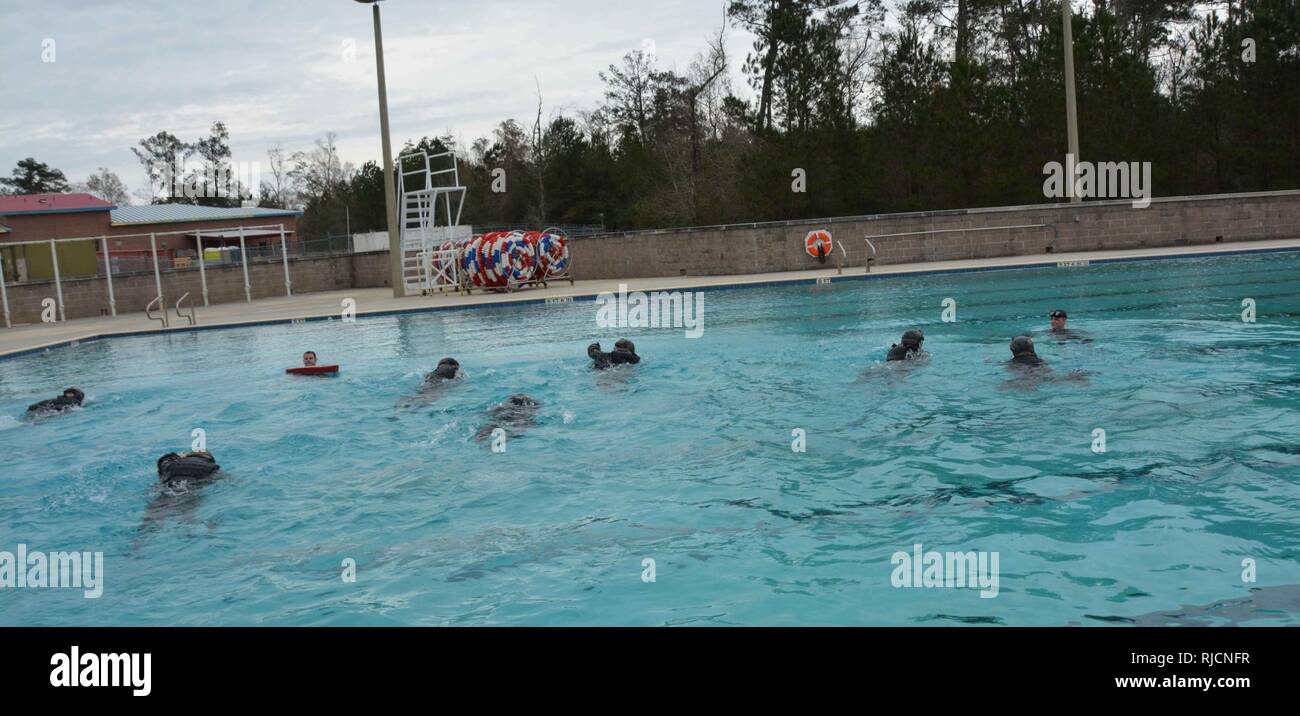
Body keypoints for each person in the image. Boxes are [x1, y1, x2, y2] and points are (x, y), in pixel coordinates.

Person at [476, 394, 541, 442]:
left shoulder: (501, 407)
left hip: (500, 418)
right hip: (514, 421)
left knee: (492, 427)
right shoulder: (526, 410)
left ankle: (480, 439)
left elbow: (485, 414)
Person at [156, 451, 221, 485]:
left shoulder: (176, 460)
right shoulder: (210, 465)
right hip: (193, 480)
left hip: (173, 473)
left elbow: (161, 462)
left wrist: (176, 455)